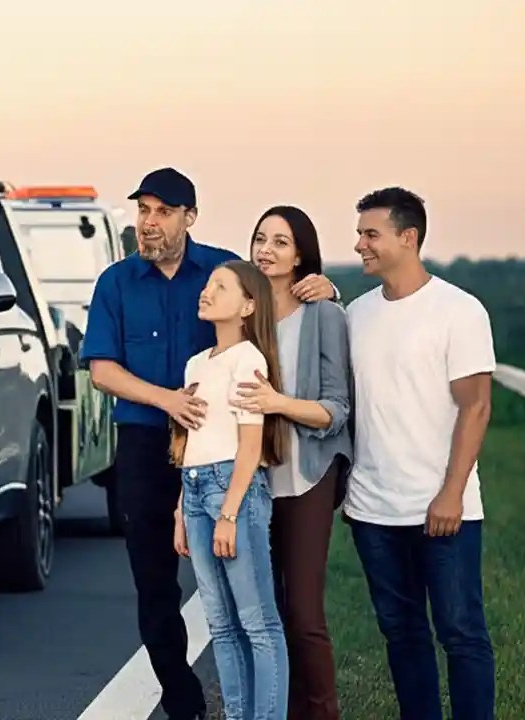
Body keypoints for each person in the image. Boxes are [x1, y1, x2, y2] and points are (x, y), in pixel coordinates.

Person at [79, 168, 337, 720]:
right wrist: (166, 400)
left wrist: (326, 285)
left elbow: (278, 294)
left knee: (250, 597)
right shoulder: (116, 283)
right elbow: (102, 370)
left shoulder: (219, 274)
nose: (149, 222)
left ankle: (279, 707)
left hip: (223, 451)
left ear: (188, 217)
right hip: (149, 445)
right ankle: (185, 704)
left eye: (162, 212)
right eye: (143, 210)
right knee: (155, 588)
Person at [343, 187, 496, 720]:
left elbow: (476, 406)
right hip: (371, 509)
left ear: (408, 238)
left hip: (442, 509)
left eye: (370, 234)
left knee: (461, 633)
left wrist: (451, 493)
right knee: (402, 634)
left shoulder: (459, 310)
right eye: (359, 233)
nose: (359, 243)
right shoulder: (355, 315)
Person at [232, 206, 352, 720]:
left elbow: (336, 411)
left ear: (301, 253)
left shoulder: (324, 313)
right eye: (261, 239)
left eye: (281, 242)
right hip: (251, 479)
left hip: (307, 476)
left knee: (303, 614)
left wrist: (277, 402)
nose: (267, 250)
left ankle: (321, 712)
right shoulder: (243, 313)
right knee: (264, 615)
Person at [172, 259, 289, 720]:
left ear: (247, 305)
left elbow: (249, 446)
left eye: (220, 286)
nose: (207, 291)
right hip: (196, 488)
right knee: (220, 624)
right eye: (207, 284)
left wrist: (229, 514)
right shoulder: (196, 364)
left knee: (258, 623)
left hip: (231, 492)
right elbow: (189, 442)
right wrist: (183, 509)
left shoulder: (249, 360)